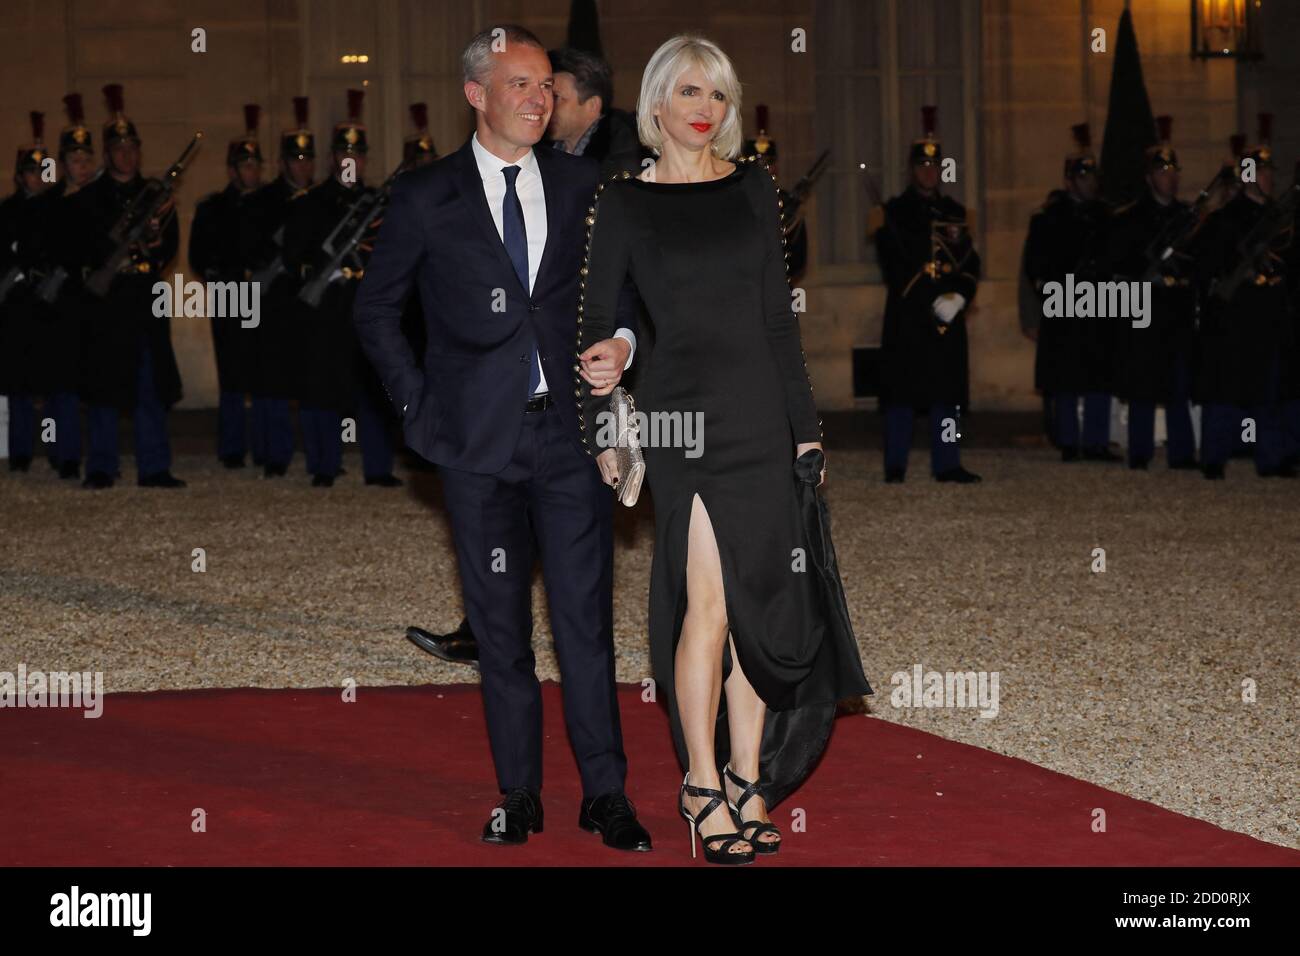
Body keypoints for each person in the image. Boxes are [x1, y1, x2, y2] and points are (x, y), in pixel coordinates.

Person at [353, 24, 649, 852]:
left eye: (547, 86)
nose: (539, 99)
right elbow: (375, 311)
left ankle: (607, 794)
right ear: (477, 95)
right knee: (502, 632)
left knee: (585, 625)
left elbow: (627, 289)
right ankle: (519, 794)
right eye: (521, 85)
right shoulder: (424, 196)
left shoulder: (586, 183)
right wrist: (417, 409)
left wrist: (621, 346)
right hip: (475, 449)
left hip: (569, 440)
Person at [579, 33, 871, 864]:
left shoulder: (753, 190)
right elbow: (597, 332)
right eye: (689, 93)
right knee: (707, 607)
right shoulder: (623, 203)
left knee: (758, 608)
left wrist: (806, 429)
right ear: (657, 105)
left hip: (760, 423)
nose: (705, 110)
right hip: (684, 425)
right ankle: (699, 782)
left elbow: (779, 320)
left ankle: (747, 777)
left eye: (718, 96)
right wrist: (605, 429)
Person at [283, 89, 400, 488]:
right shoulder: (309, 204)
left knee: (372, 386)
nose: (352, 161)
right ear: (335, 157)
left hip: (366, 304)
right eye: (345, 154)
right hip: (326, 307)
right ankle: (323, 464)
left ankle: (379, 467)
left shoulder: (379, 203)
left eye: (359, 155)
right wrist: (323, 272)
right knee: (320, 387)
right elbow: (292, 259)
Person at [72, 83, 184, 490]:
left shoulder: (153, 193)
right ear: (107, 153)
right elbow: (82, 247)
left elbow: (170, 244)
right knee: (103, 384)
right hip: (108, 301)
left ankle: (154, 467)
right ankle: (101, 466)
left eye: (132, 147)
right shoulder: (91, 198)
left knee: (148, 382)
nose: (126, 154)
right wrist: (117, 247)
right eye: (119, 149)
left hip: (143, 297)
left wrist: (150, 244)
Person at [875, 106, 982, 483]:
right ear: (911, 169)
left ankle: (948, 462)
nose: (928, 171)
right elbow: (894, 267)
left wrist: (960, 297)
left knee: (947, 394)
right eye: (921, 165)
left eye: (934, 166)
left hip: (948, 316)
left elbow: (971, 262)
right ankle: (896, 465)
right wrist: (929, 298)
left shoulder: (955, 212)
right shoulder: (892, 213)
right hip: (908, 315)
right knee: (901, 394)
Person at [1193, 113, 1294, 479]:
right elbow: (1205, 265)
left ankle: (1269, 458)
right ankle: (1215, 457)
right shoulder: (1226, 219)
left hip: (1267, 315)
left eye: (1270, 173)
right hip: (1234, 318)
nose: (1269, 178)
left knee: (1267, 391)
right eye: (1262, 172)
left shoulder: (1277, 218)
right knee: (1226, 391)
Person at [1107, 116, 1198, 470]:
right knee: (1143, 384)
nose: (1170, 179)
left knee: (1179, 384)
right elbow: (1118, 264)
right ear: (1149, 178)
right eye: (1163, 173)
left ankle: (1182, 452)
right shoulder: (1129, 219)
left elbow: (1196, 261)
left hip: (1176, 309)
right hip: (1144, 311)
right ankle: (1140, 452)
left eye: (1174, 172)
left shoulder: (1185, 216)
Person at [20, 94, 102, 480]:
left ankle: (92, 454)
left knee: (89, 382)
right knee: (60, 384)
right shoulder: (48, 204)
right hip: (59, 303)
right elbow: (35, 250)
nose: (82, 167)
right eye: (74, 160)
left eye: (87, 160)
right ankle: (63, 453)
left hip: (92, 300)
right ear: (63, 164)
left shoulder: (102, 201)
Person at [240, 96, 317, 478]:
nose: (303, 167)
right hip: (271, 300)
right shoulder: (265, 200)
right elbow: (250, 248)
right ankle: (274, 454)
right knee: (269, 380)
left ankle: (319, 455)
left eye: (308, 160)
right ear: (284, 162)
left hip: (307, 301)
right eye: (296, 160)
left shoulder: (320, 199)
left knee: (307, 377)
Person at [191, 105, 264, 469]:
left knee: (266, 373)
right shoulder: (213, 208)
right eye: (246, 166)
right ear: (233, 170)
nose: (253, 172)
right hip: (231, 295)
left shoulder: (271, 204)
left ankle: (268, 448)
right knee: (232, 375)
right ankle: (233, 447)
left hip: (264, 297)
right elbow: (198, 257)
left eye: (256, 165)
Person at [0, 111, 53, 471]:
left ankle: (53, 449)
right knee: (18, 385)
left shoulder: (57, 209)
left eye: (42, 171)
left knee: (50, 385)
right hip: (17, 304)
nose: (38, 177)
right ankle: (20, 453)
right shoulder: (7, 212)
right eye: (32, 171)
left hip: (49, 301)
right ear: (20, 176)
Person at [546, 46, 643, 174]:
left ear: (592, 105)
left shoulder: (621, 152)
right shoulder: (545, 149)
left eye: (556, 97)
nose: (546, 104)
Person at [741, 105, 809, 282]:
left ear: (776, 167)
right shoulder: (734, 201)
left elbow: (798, 261)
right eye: (758, 163)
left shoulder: (788, 204)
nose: (765, 168)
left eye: (769, 163)